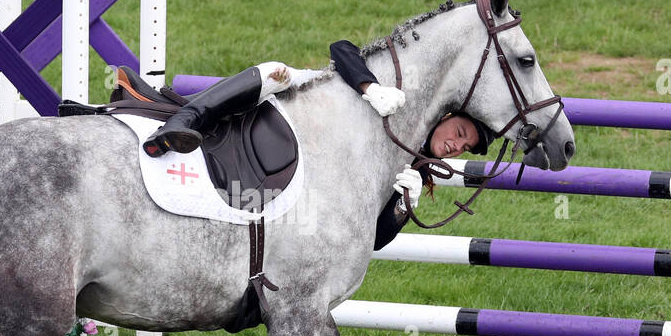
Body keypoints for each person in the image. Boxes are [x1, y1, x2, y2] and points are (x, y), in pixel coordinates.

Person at [140, 40, 493, 248]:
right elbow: (341, 49)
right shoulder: (403, 102)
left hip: (319, 167)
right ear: (447, 117)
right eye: (460, 135)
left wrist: (403, 208)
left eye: (463, 149)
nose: (454, 148)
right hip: (312, 101)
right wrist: (372, 89)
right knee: (274, 70)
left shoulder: (413, 172)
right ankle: (181, 123)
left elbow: (371, 241)